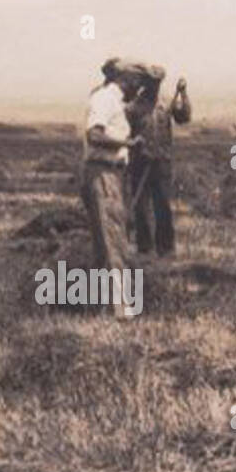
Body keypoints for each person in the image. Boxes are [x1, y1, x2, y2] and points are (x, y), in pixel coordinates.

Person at [81, 58, 142, 313]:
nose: (138, 89)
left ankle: (102, 306)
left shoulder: (113, 101)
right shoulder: (105, 99)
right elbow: (94, 135)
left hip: (110, 174)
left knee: (107, 240)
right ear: (125, 81)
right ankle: (121, 308)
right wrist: (127, 144)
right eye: (136, 82)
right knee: (112, 239)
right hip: (104, 174)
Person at [126, 65, 190, 256]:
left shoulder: (166, 102)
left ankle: (166, 249)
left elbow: (184, 117)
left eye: (157, 83)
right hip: (140, 162)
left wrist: (183, 94)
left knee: (163, 204)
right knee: (141, 207)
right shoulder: (133, 106)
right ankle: (144, 249)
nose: (154, 86)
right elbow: (124, 132)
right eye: (151, 83)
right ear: (145, 82)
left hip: (162, 161)